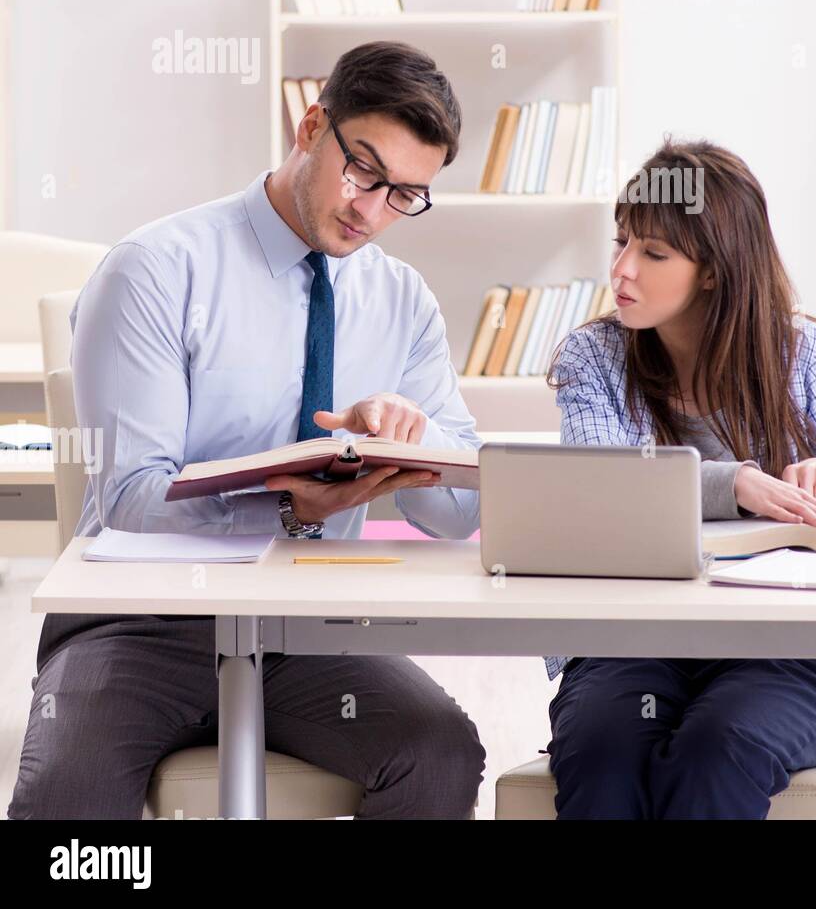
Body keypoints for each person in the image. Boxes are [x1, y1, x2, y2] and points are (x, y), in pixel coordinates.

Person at [8, 41, 486, 820]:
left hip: (308, 632)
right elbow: (131, 495)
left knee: (439, 753)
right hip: (141, 625)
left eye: (405, 194)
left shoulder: (403, 301)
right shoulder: (156, 269)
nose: (371, 209)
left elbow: (460, 515)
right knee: (68, 796)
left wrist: (418, 436)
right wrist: (292, 508)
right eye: (362, 170)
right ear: (310, 127)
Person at [543, 138, 816, 819]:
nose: (622, 269)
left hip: (786, 649)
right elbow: (604, 486)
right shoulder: (594, 356)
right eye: (622, 241)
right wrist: (737, 484)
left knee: (715, 753)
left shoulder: (809, 355)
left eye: (654, 253)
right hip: (633, 642)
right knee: (602, 754)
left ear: (714, 273)